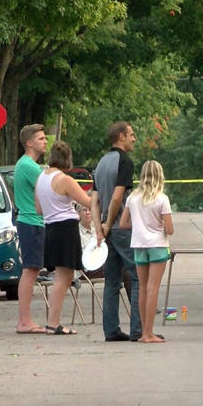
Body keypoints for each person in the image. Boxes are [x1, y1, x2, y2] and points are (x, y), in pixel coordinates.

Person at [91, 121, 141, 342]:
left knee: (111, 280)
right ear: (121, 136)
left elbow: (94, 200)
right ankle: (139, 329)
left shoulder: (101, 163)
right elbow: (117, 196)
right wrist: (110, 223)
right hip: (121, 226)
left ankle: (111, 329)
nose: (134, 138)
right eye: (131, 135)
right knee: (137, 277)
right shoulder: (125, 162)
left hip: (105, 229)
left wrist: (99, 228)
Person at [35, 141, 91, 335]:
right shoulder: (65, 180)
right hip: (65, 229)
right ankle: (53, 323)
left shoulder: (41, 177)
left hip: (50, 227)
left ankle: (53, 321)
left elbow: (38, 209)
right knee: (63, 278)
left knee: (62, 276)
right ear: (68, 159)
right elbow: (87, 201)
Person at [119, 160, 173, 343]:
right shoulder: (161, 198)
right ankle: (150, 333)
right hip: (157, 245)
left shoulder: (132, 197)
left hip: (138, 245)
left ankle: (143, 332)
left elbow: (123, 223)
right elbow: (170, 229)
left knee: (141, 287)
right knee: (153, 288)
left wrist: (140, 225)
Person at [14, 124, 49, 334]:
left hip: (32, 222)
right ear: (30, 143)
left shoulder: (26, 165)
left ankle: (25, 320)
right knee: (30, 271)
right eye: (41, 138)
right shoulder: (29, 166)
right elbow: (52, 188)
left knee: (32, 270)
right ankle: (24, 321)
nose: (45, 141)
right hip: (31, 222)